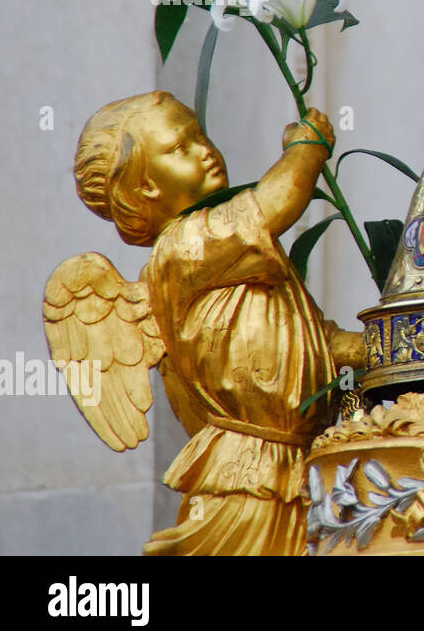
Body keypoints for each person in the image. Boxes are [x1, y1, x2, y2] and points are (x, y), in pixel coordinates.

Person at [69, 91, 364, 555]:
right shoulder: (185, 245)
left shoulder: (240, 258)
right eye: (180, 147)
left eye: (200, 135)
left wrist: (371, 349)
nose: (205, 149)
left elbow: (305, 337)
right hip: (250, 470)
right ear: (145, 188)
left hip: (300, 462)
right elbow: (276, 204)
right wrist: (308, 146)